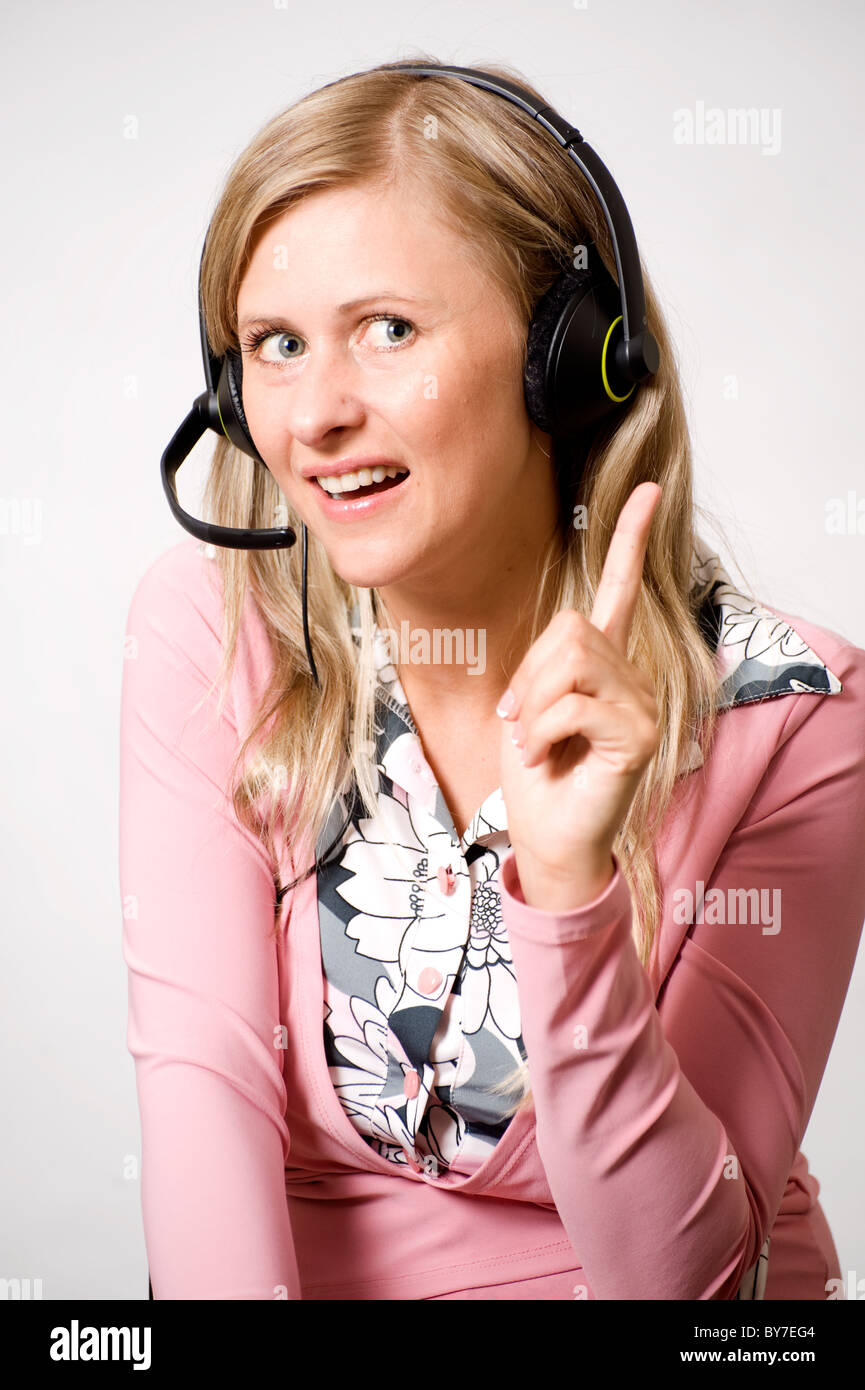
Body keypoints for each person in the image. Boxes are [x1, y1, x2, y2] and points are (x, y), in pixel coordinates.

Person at [119, 56, 865, 1300]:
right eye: (278, 346)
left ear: (566, 364)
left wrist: (570, 901)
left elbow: (676, 1284)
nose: (313, 416)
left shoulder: (790, 717)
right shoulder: (214, 629)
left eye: (389, 329)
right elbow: (204, 1101)